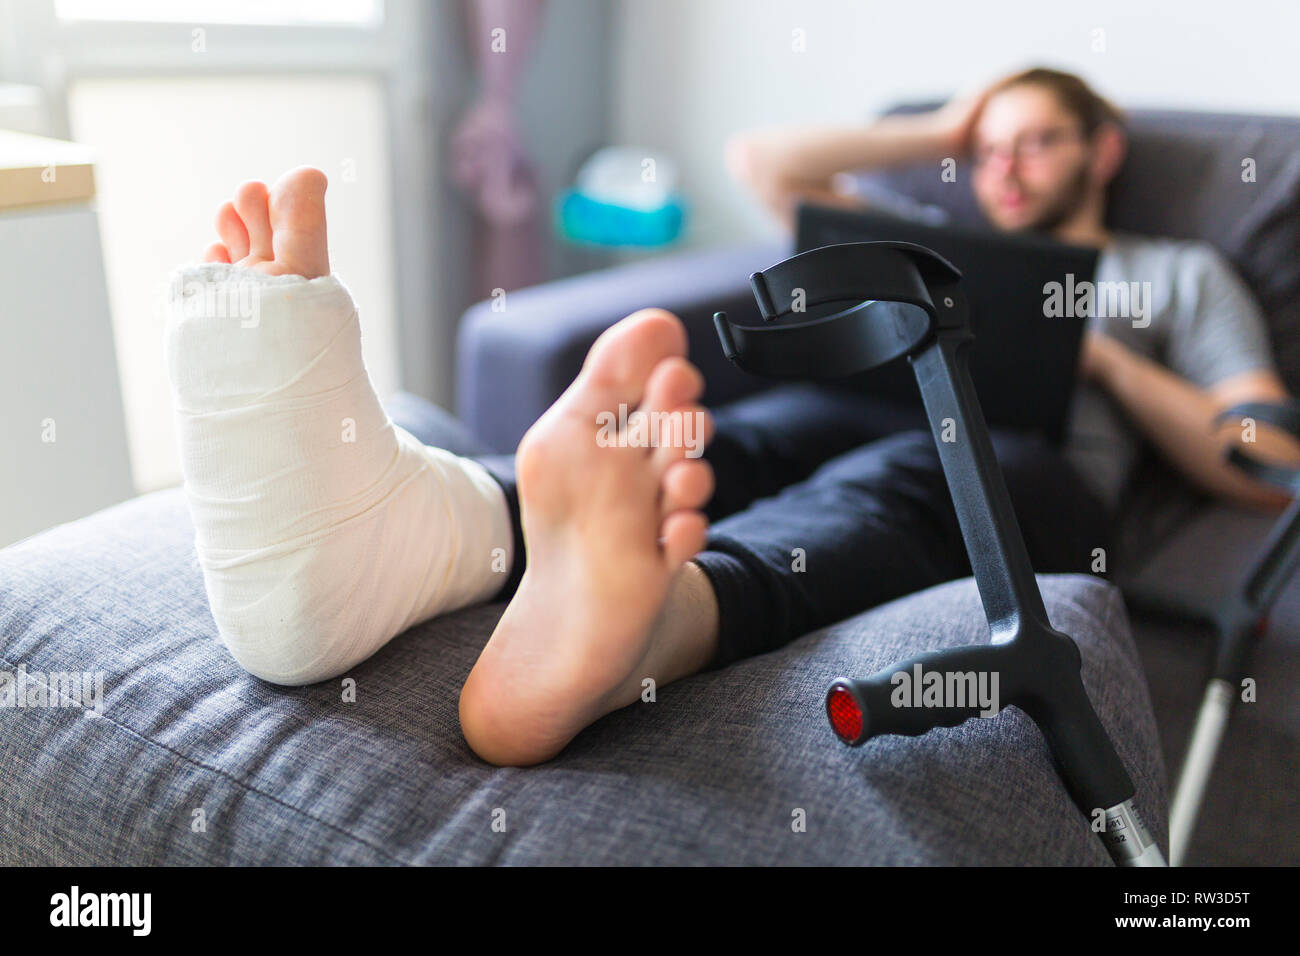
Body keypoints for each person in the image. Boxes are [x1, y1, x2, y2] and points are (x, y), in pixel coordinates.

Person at [167, 68, 1291, 768]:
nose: (1003, 162)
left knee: (898, 480)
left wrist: (1082, 338)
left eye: (1035, 140)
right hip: (850, 397)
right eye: (988, 146)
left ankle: (655, 623)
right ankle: (432, 525)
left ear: (1101, 149)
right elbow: (767, 164)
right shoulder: (926, 233)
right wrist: (941, 127)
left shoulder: (1176, 274)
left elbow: (1260, 460)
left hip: (1032, 463)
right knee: (727, 434)